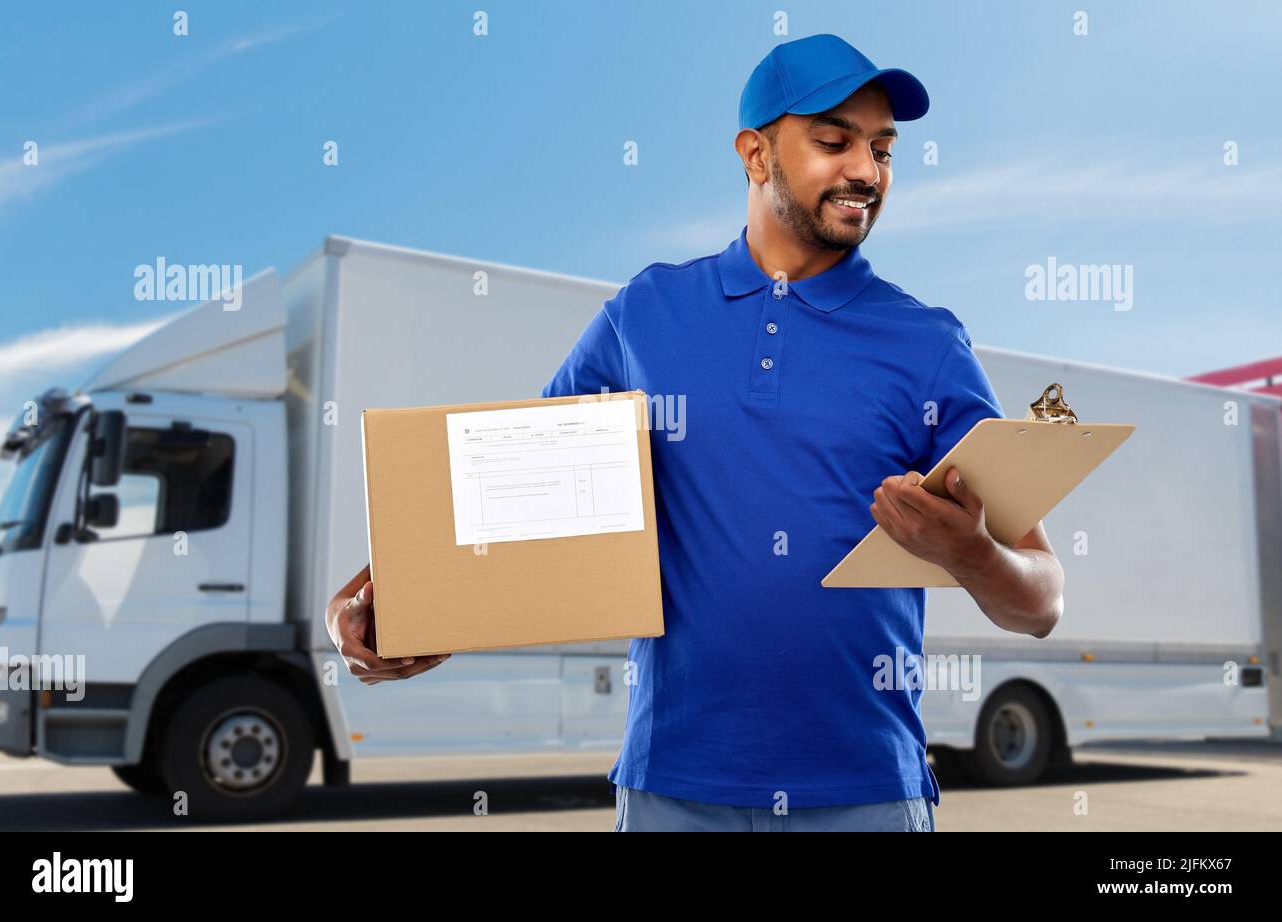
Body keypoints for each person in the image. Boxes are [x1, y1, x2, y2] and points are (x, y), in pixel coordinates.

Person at [326, 33, 1065, 833]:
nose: (866, 170)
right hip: (673, 790)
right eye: (834, 141)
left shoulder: (927, 344)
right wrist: (370, 604)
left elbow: (1041, 600)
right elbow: (511, 499)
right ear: (755, 154)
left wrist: (971, 555)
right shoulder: (645, 315)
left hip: (866, 794)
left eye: (883, 149)